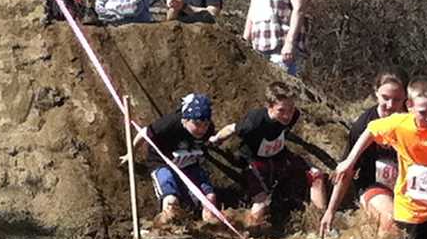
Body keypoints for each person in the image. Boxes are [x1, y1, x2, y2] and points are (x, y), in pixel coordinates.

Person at [320, 78, 427, 239]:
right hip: (408, 208)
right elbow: (371, 130)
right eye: (424, 113)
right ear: (410, 106)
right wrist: (349, 161)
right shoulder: (399, 124)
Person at [209, 81, 326, 228]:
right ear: (269, 106)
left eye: (290, 109)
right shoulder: (254, 122)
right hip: (256, 160)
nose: (287, 115)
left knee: (317, 176)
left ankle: (322, 223)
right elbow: (232, 128)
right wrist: (215, 139)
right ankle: (249, 230)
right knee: (261, 203)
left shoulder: (294, 115)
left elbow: (284, 130)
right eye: (281, 111)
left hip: (280, 154)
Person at [323, 70, 407, 235]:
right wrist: (330, 210)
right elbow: (347, 170)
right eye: (385, 98)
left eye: (397, 99)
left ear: (406, 98)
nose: (390, 105)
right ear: (376, 93)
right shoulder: (362, 125)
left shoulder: (412, 121)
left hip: (405, 187)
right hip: (374, 186)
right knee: (389, 219)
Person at [127, 93, 220, 225]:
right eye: (197, 124)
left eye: (205, 124)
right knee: (171, 201)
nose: (201, 129)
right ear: (185, 120)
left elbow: (209, 139)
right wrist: (130, 152)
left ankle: (211, 230)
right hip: (162, 163)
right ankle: (164, 228)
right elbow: (143, 133)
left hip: (188, 163)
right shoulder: (170, 124)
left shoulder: (208, 129)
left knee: (210, 198)